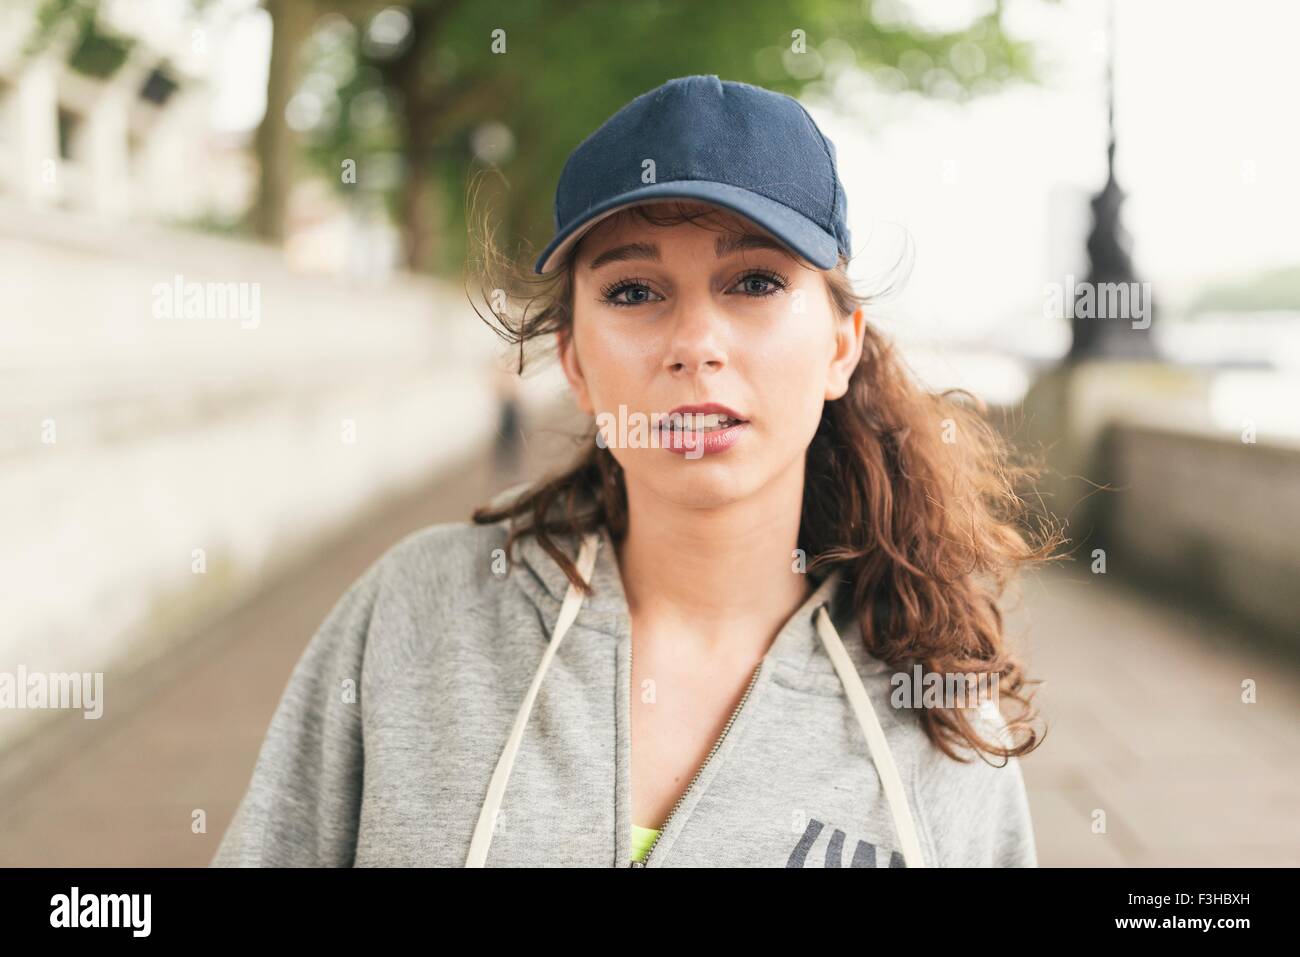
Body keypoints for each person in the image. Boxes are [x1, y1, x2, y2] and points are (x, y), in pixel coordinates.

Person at [211, 74, 1065, 868]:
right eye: (633, 292)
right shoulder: (414, 616)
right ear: (573, 358)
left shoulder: (939, 714)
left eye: (756, 281)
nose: (696, 344)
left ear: (841, 346)